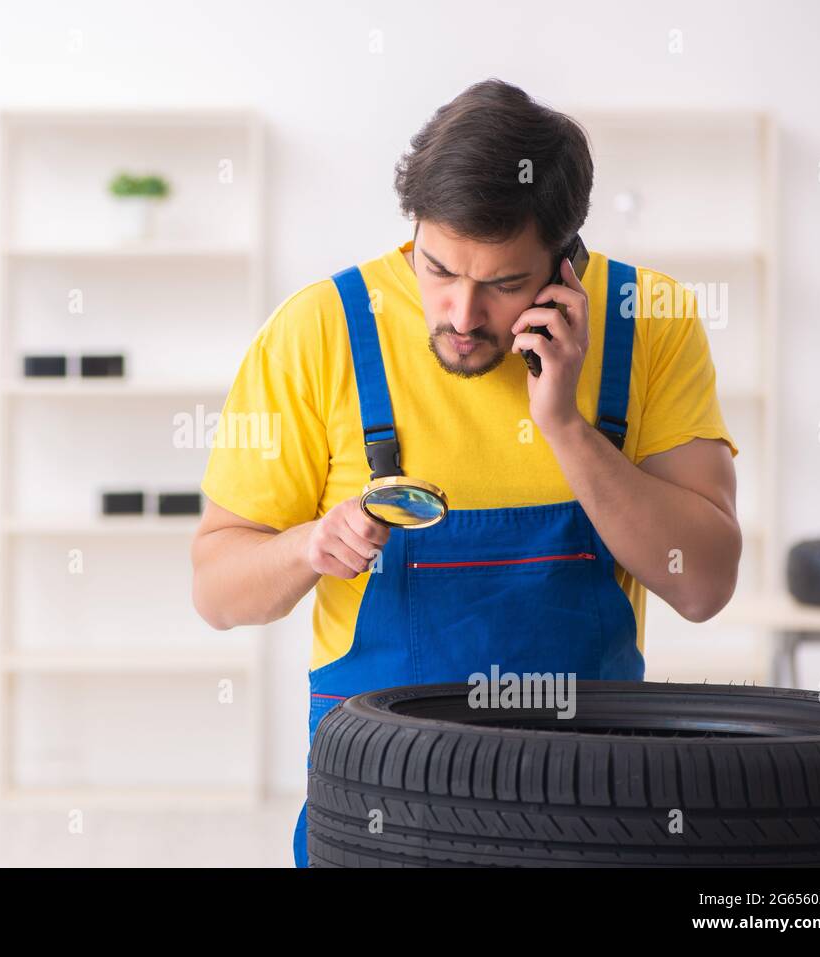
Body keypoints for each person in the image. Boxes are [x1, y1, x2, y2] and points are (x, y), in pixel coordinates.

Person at [190, 78, 742, 867]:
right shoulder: (320, 330)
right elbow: (215, 587)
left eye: (504, 284)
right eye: (438, 268)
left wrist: (565, 425)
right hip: (384, 815)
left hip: (591, 816)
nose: (458, 313)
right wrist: (309, 545)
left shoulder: (647, 321)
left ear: (565, 263)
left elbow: (704, 583)